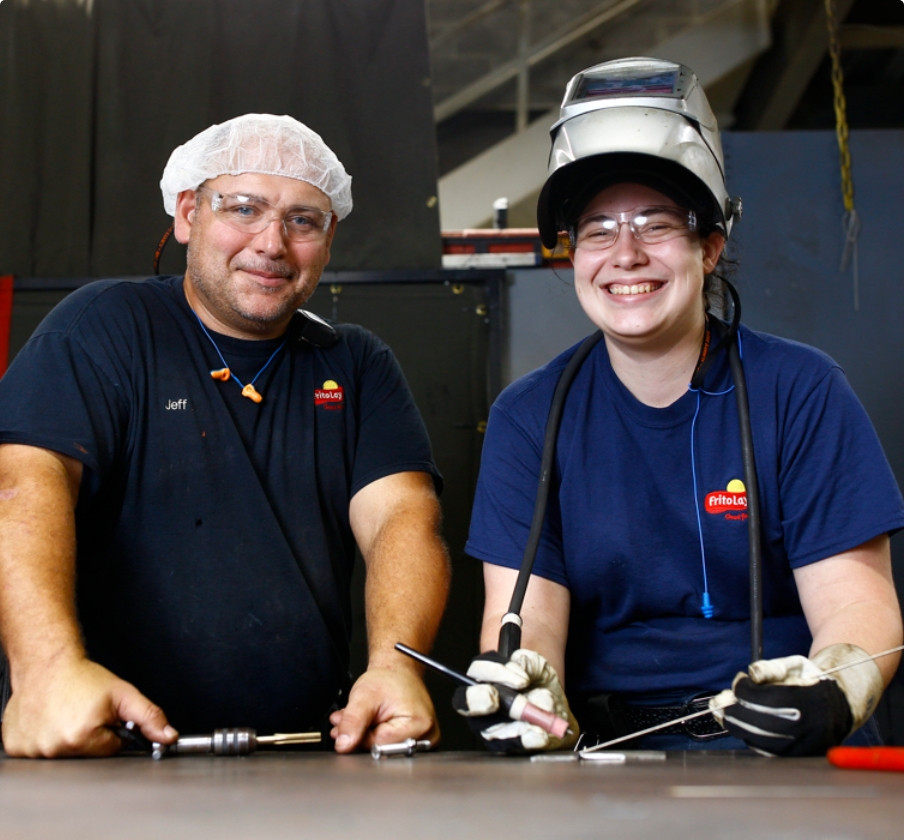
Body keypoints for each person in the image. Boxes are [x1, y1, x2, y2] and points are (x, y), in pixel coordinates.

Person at [456, 57, 903, 755]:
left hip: (786, 749)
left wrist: (836, 686)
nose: (625, 254)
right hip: (606, 759)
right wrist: (528, 692)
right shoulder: (529, 417)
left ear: (711, 246)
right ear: (573, 256)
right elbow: (523, 618)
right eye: (598, 229)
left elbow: (859, 605)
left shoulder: (802, 390)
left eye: (655, 224)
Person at [0, 113, 450, 758]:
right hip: (104, 744)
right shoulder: (106, 326)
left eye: (302, 220)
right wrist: (43, 670)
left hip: (303, 752)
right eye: (244, 209)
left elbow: (402, 517)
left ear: (328, 240)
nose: (271, 243)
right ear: (187, 214)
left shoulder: (355, 363)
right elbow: (22, 484)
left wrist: (396, 667)